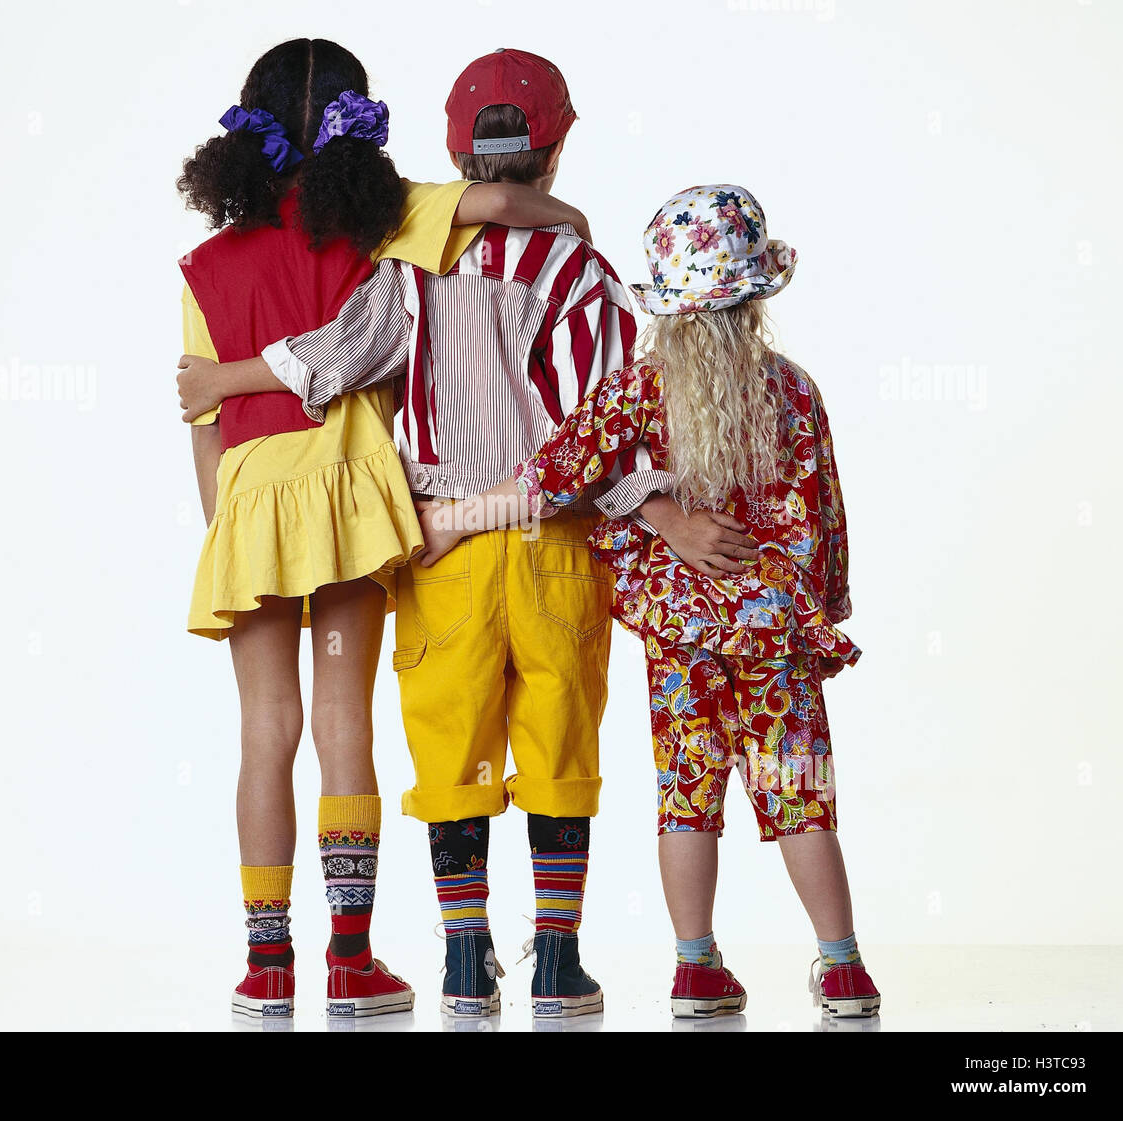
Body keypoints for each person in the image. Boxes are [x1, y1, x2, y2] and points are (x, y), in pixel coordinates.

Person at [176, 54, 760, 1020]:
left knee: (357, 740)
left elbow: (277, 386)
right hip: (462, 527)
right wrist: (662, 509)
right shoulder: (481, 249)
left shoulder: (303, 265)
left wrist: (229, 454)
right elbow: (590, 392)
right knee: (464, 730)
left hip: (348, 527)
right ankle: (466, 962)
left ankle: (354, 961)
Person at [416, 185, 882, 1019]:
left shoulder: (638, 390)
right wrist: (828, 604)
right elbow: (829, 510)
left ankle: (696, 967)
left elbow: (550, 477)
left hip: (681, 640)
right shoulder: (795, 392)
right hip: (776, 635)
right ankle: (843, 968)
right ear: (755, 301)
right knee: (801, 793)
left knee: (687, 797)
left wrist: (454, 518)